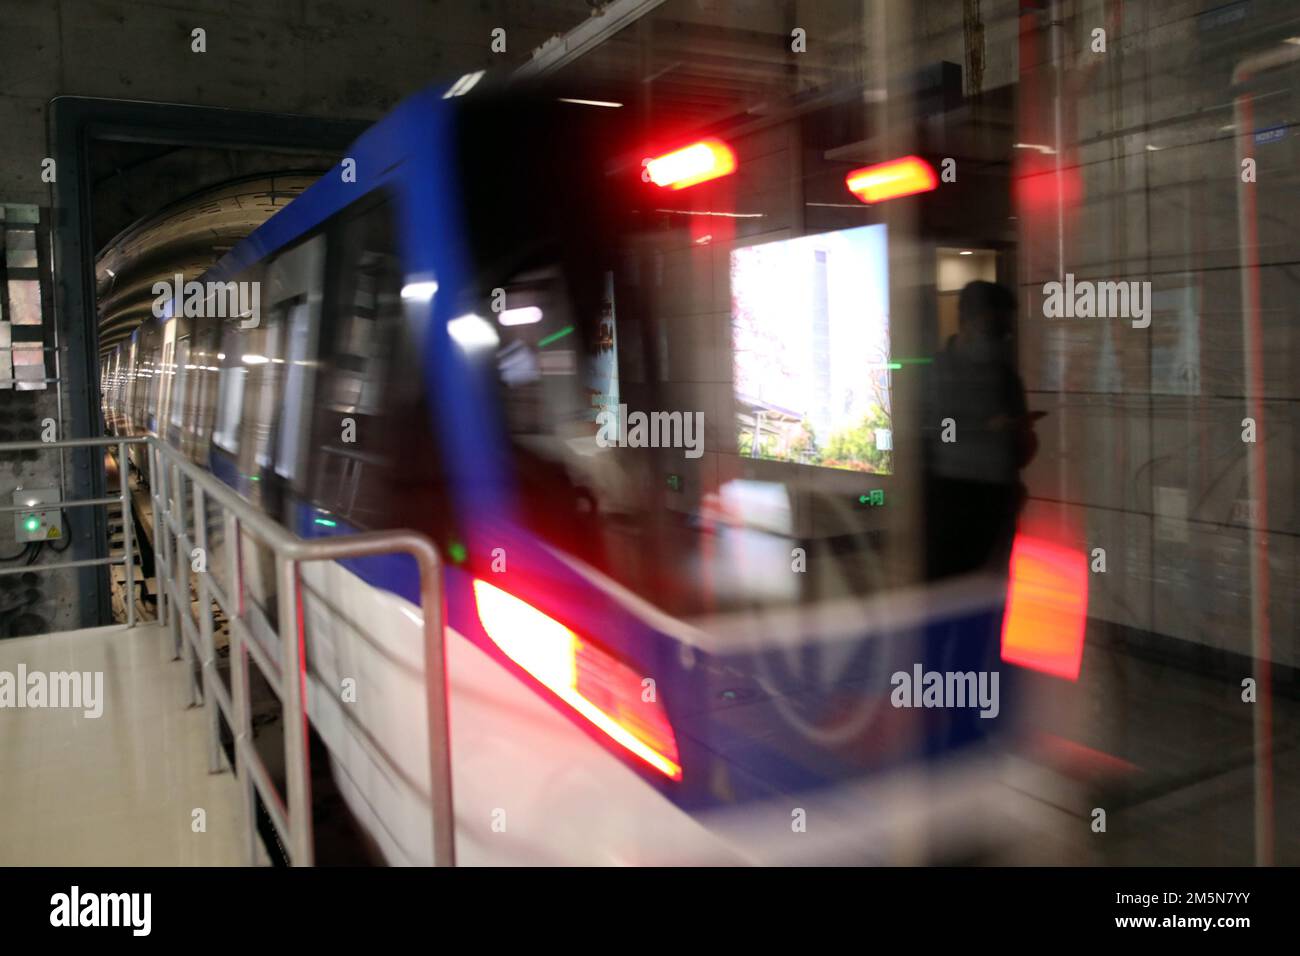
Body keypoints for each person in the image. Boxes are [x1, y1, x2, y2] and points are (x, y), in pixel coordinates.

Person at [922, 280, 1038, 580]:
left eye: (1005, 331)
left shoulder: (1006, 378)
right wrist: (988, 429)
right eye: (994, 329)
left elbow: (1021, 454)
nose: (1001, 339)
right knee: (950, 602)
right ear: (967, 323)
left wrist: (1021, 434)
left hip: (997, 509)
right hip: (949, 509)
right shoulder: (936, 372)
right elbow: (935, 433)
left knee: (992, 603)